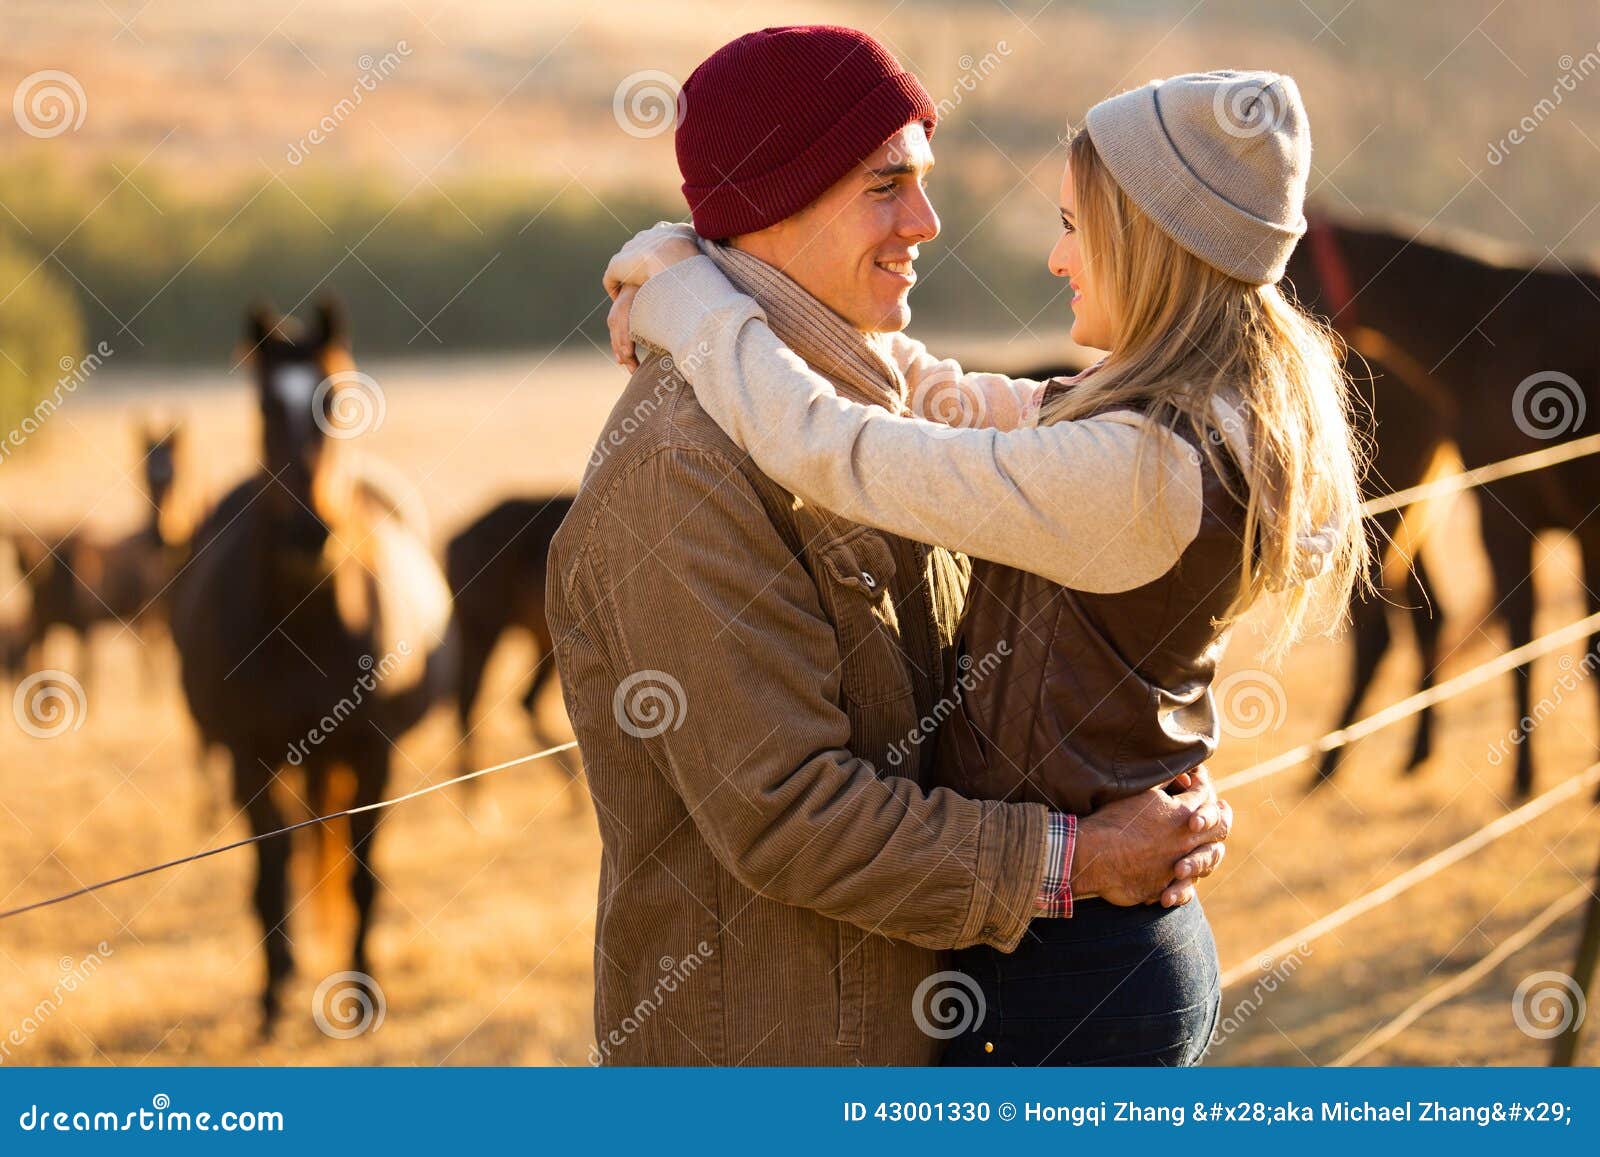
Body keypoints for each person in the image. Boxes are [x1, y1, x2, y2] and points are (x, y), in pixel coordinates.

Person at [602, 67, 1367, 1065]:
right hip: (1096, 961)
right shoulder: (1198, 409)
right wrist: (719, 279)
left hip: (1065, 980)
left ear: (1151, 244)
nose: (1057, 257)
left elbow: (836, 449)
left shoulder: (1133, 467)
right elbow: (947, 401)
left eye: (1072, 224)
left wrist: (692, 301)